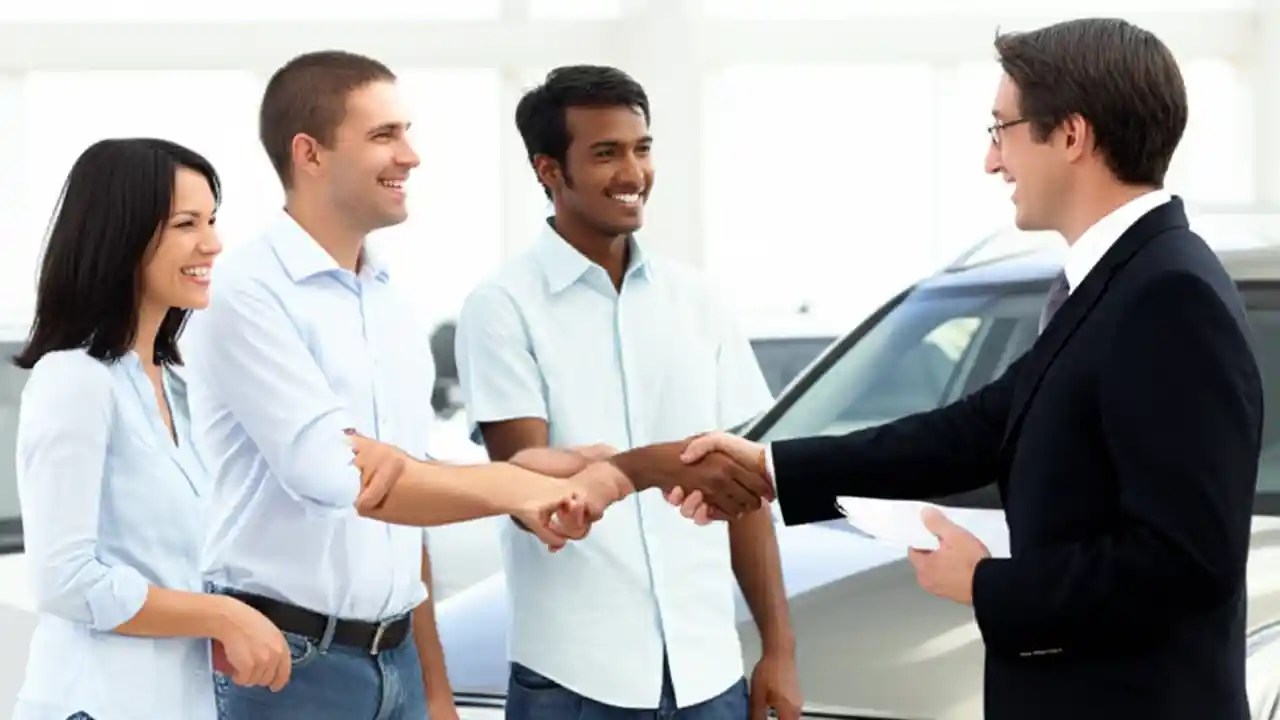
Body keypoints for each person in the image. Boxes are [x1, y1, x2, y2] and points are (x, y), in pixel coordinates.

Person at [672, 17, 1263, 720]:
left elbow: (1189, 561)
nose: (992, 161)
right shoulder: (1112, 282)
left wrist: (987, 584)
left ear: (1071, 136)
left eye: (1000, 129)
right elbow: (978, 429)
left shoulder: (1168, 295)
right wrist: (769, 471)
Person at [180, 50, 599, 720]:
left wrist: (433, 688)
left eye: (406, 132)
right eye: (384, 136)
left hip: (395, 661)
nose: (411, 156)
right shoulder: (244, 292)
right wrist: (521, 488)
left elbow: (406, 505)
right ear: (309, 154)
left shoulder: (387, 297)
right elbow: (347, 480)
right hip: (287, 669)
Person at [453, 65, 802, 720]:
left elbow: (746, 490)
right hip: (576, 679)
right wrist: (643, 468)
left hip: (708, 673)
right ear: (548, 170)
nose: (633, 173)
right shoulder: (502, 307)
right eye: (606, 153)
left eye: (641, 148)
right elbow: (527, 496)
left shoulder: (700, 301)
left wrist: (778, 649)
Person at [11, 138, 291, 720]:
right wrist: (220, 616)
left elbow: (168, 565)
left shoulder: (174, 387)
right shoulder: (74, 380)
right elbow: (63, 578)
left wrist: (216, 619)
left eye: (212, 220)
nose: (212, 243)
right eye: (186, 223)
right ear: (122, 235)